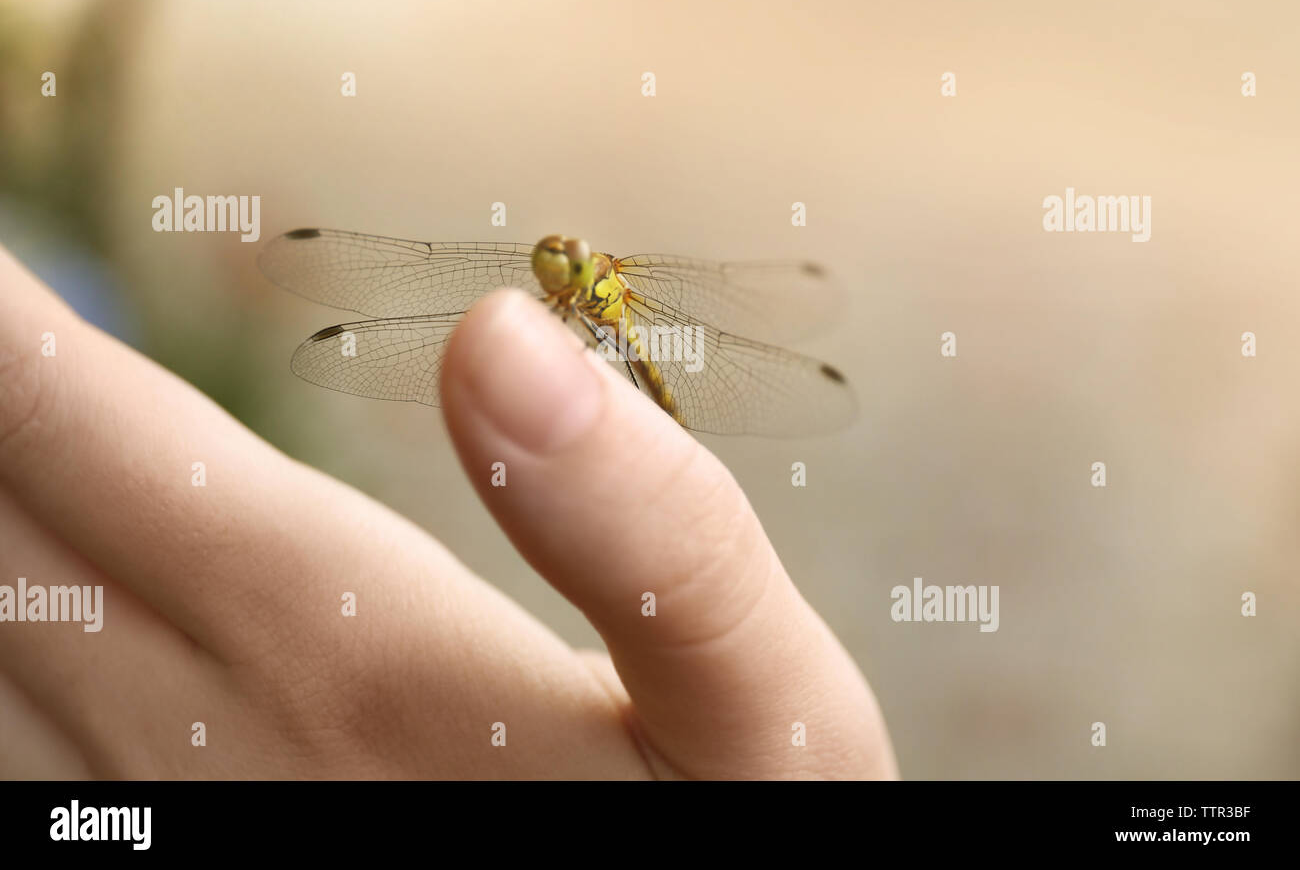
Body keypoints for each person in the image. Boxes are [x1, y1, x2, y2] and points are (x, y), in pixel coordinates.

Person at [0, 246, 896, 779]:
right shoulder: (564, 294)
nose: (561, 269)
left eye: (572, 266)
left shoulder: (614, 297)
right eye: (557, 263)